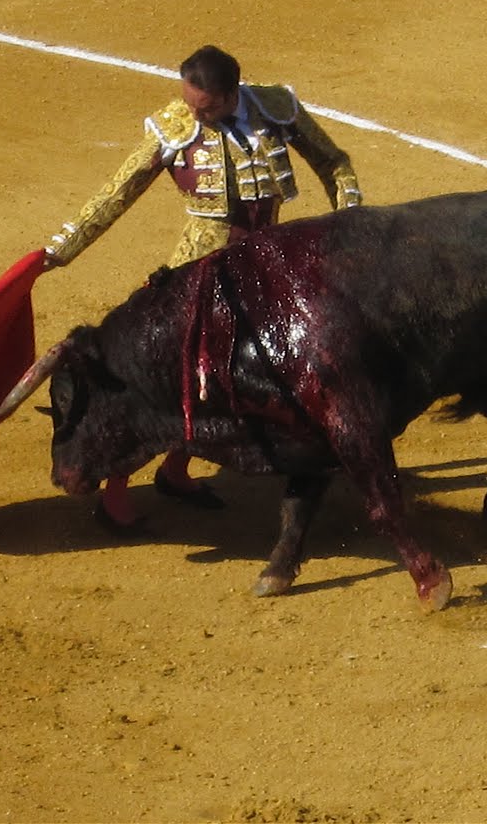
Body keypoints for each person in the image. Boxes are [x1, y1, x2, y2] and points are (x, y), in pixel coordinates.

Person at [43, 44, 362, 530]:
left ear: (231, 92)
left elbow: (333, 162)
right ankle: (115, 494)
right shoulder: (176, 125)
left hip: (265, 266)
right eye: (190, 103)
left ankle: (177, 470)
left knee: (256, 376)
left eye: (204, 106)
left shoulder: (272, 108)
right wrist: (61, 249)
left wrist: (349, 223)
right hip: (198, 272)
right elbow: (118, 190)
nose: (193, 112)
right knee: (167, 379)